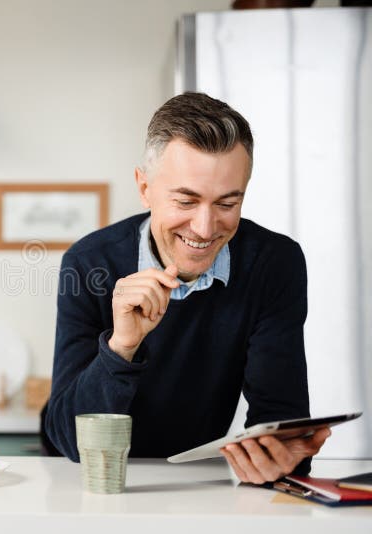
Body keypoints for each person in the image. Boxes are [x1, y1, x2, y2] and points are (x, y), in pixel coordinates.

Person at [43, 92, 330, 484]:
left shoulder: (273, 263)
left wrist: (280, 458)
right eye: (185, 201)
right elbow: (68, 441)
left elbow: (278, 416)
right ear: (144, 188)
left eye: (227, 204)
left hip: (199, 483)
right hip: (96, 482)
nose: (205, 228)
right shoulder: (90, 262)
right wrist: (121, 347)